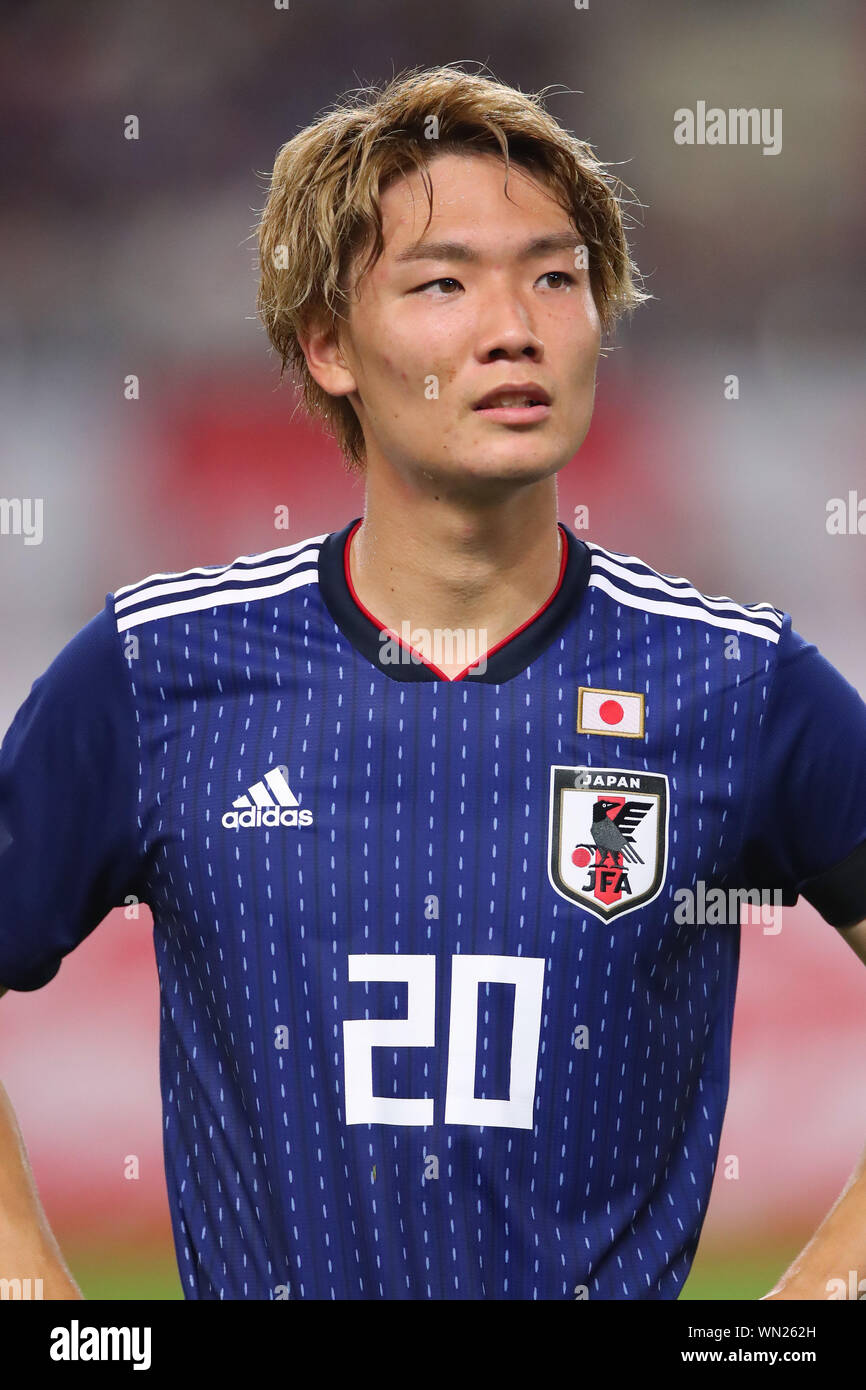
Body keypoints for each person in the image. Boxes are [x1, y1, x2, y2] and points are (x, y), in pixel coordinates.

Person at [2, 64, 865, 1301]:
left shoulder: (735, 681)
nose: (512, 325)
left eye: (554, 277)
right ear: (326, 345)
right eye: (443, 281)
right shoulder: (155, 671)